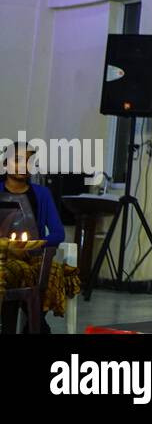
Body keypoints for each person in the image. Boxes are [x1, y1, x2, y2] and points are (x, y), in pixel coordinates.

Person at [1, 142, 74, 333]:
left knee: (35, 274)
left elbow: (58, 233)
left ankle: (33, 325)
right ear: (4, 164)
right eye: (17, 160)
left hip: (31, 258)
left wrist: (31, 246)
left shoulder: (42, 194)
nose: (23, 165)